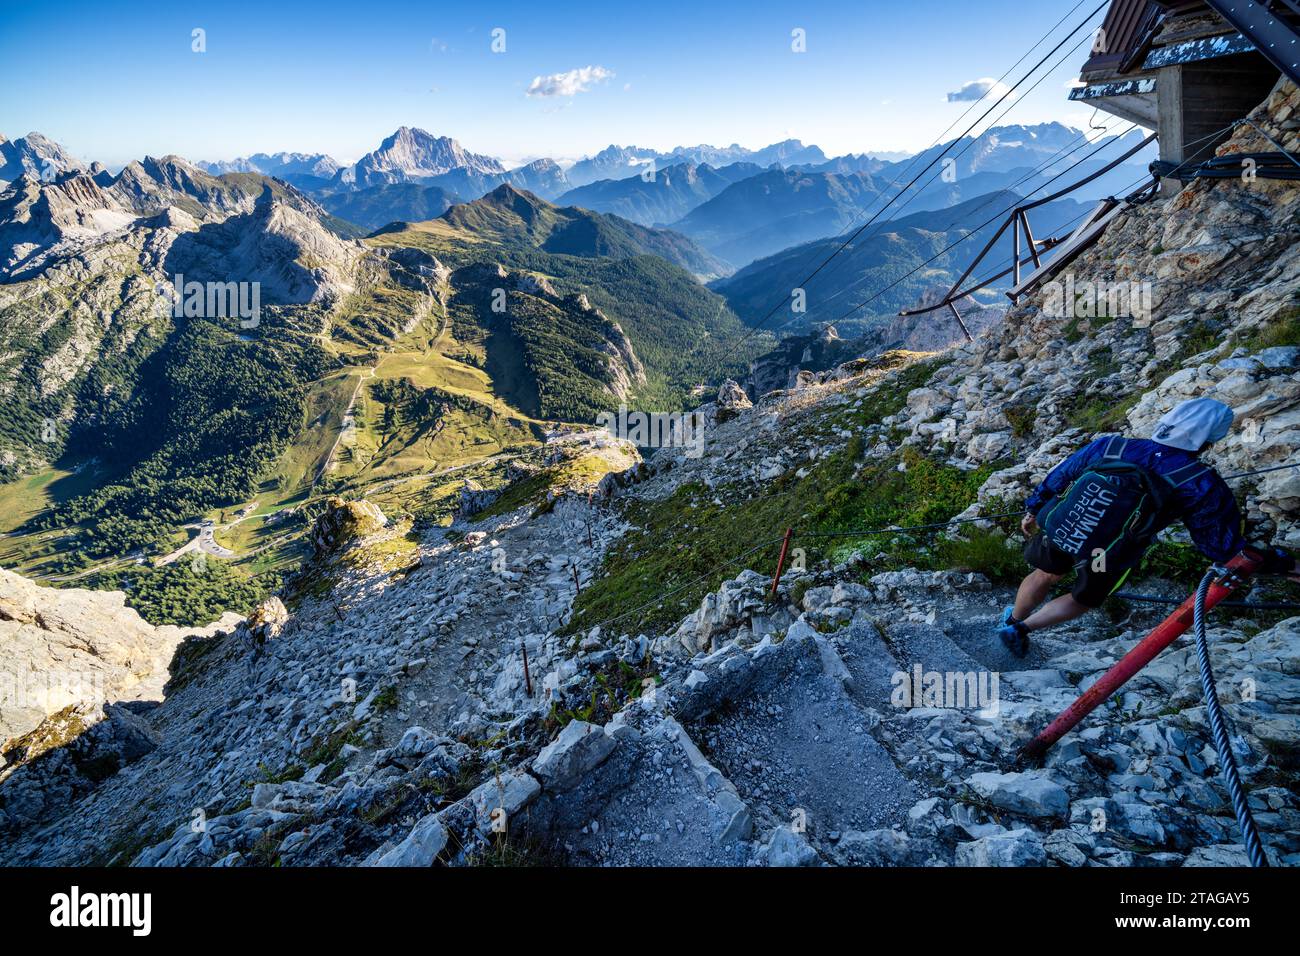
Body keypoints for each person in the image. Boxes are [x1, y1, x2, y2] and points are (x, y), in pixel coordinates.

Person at [997, 396, 1295, 656]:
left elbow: (1061, 475)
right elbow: (1219, 547)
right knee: (1083, 598)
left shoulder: (1110, 445)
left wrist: (1034, 509)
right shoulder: (1200, 481)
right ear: (1208, 440)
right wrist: (1281, 563)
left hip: (1067, 526)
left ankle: (1010, 620)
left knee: (1045, 574)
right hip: (1106, 552)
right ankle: (1021, 630)